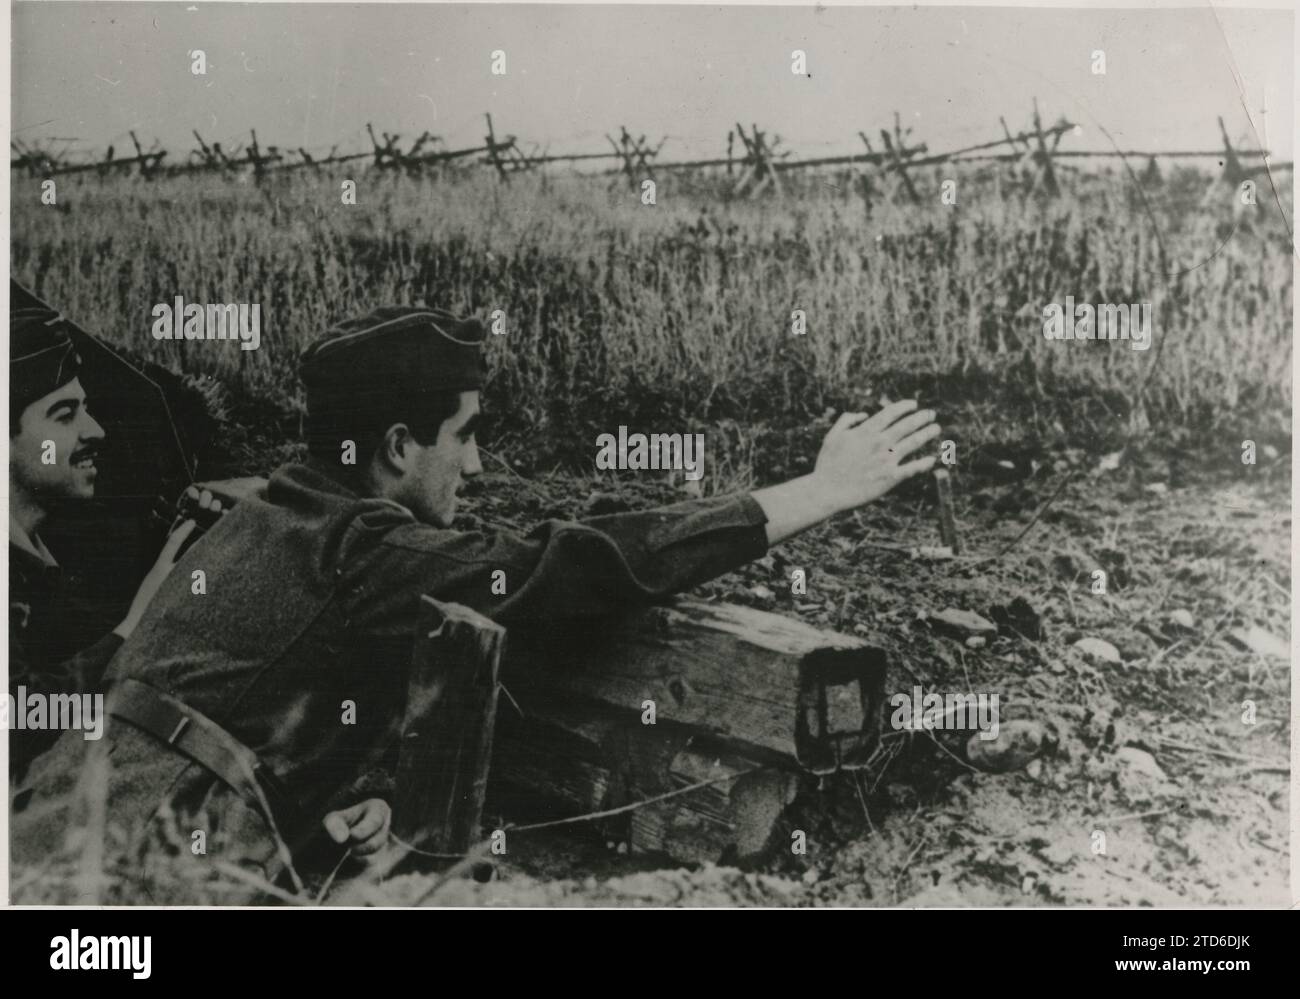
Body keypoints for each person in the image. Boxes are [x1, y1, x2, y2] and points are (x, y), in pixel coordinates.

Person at [11, 305, 940, 897]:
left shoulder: (262, 518)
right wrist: (812, 495)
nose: (481, 463)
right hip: (134, 877)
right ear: (401, 444)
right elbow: (575, 566)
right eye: (466, 435)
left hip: (58, 827)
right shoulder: (362, 547)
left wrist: (328, 808)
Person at [7, 308, 200, 781]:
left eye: (85, 409)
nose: (95, 430)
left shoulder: (34, 553)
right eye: (64, 414)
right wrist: (136, 626)